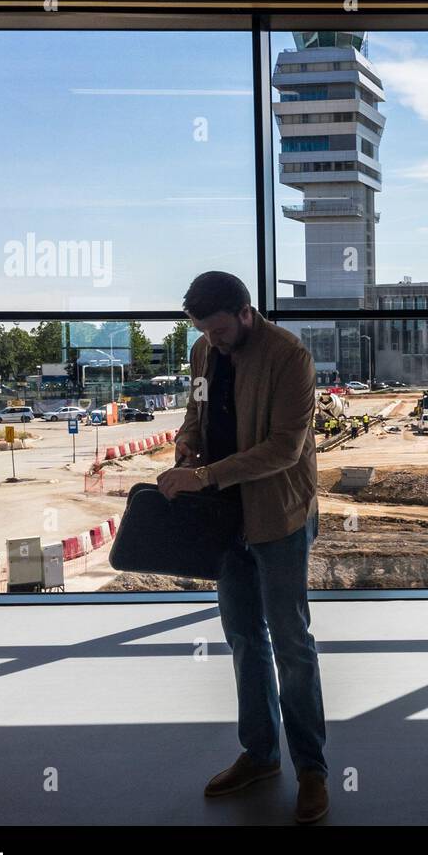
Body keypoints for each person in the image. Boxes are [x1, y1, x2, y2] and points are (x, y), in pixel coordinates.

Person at [157, 271, 328, 824]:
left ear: (246, 313)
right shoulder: (204, 354)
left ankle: (312, 771)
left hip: (278, 516)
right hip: (226, 519)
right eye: (204, 331)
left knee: (291, 643)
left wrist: (206, 479)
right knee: (243, 640)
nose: (213, 339)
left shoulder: (290, 357)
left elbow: (285, 447)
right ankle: (260, 755)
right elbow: (197, 412)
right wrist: (186, 445)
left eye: (221, 328)